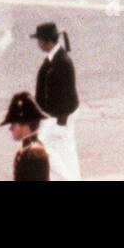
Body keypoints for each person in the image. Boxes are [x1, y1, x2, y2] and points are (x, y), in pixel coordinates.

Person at [32, 22, 81, 180]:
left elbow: (67, 97)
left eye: (39, 40)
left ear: (47, 41)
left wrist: (61, 124)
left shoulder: (63, 62)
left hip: (59, 118)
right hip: (53, 117)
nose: (38, 44)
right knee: (65, 152)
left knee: (43, 149)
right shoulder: (54, 58)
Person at [0, 91, 50, 181]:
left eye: (13, 124)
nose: (10, 128)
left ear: (25, 126)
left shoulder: (34, 153)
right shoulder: (28, 150)